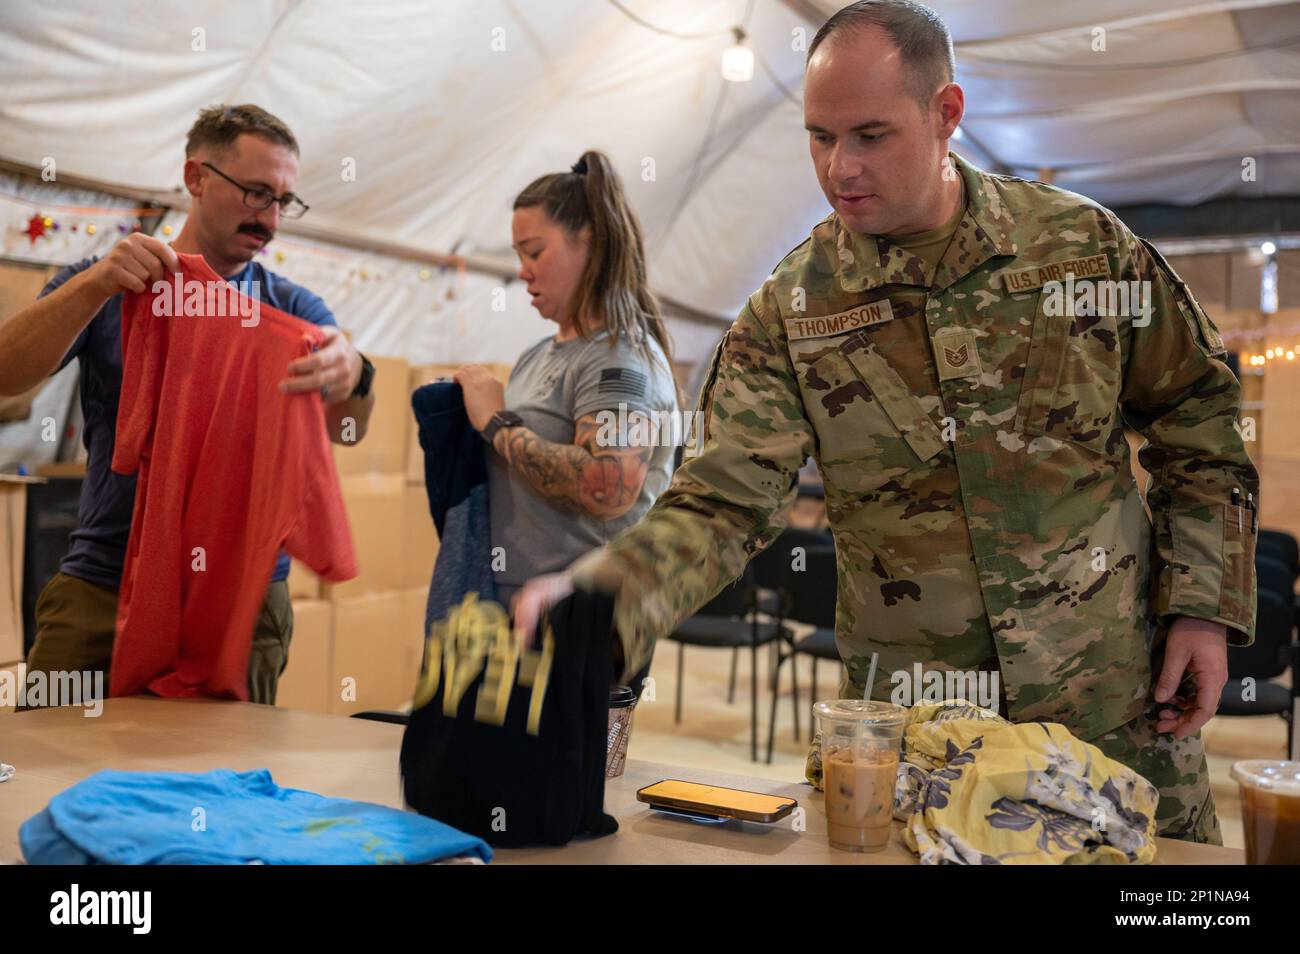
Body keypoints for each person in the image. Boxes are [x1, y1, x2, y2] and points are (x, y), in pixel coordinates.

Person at [513, 1, 1258, 844]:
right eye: (820, 137)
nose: (840, 168)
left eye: (870, 135)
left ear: (946, 114)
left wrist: (1203, 607)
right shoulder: (790, 313)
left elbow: (1198, 418)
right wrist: (600, 598)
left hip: (1110, 709)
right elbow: (721, 505)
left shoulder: (1083, 253)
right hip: (916, 740)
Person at [0, 104, 377, 706]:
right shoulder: (110, 283)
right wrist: (95, 286)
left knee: (217, 785)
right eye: (257, 193)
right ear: (196, 177)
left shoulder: (295, 311)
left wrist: (354, 373)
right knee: (52, 767)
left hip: (240, 606)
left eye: (285, 201)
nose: (271, 219)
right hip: (102, 585)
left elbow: (350, 433)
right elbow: (5, 376)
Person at [452, 150, 679, 684]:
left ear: (591, 243)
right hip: (517, 608)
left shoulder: (620, 359)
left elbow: (608, 486)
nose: (523, 270)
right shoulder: (541, 354)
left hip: (580, 614)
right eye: (518, 254)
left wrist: (496, 423)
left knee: (567, 769)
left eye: (535, 251)